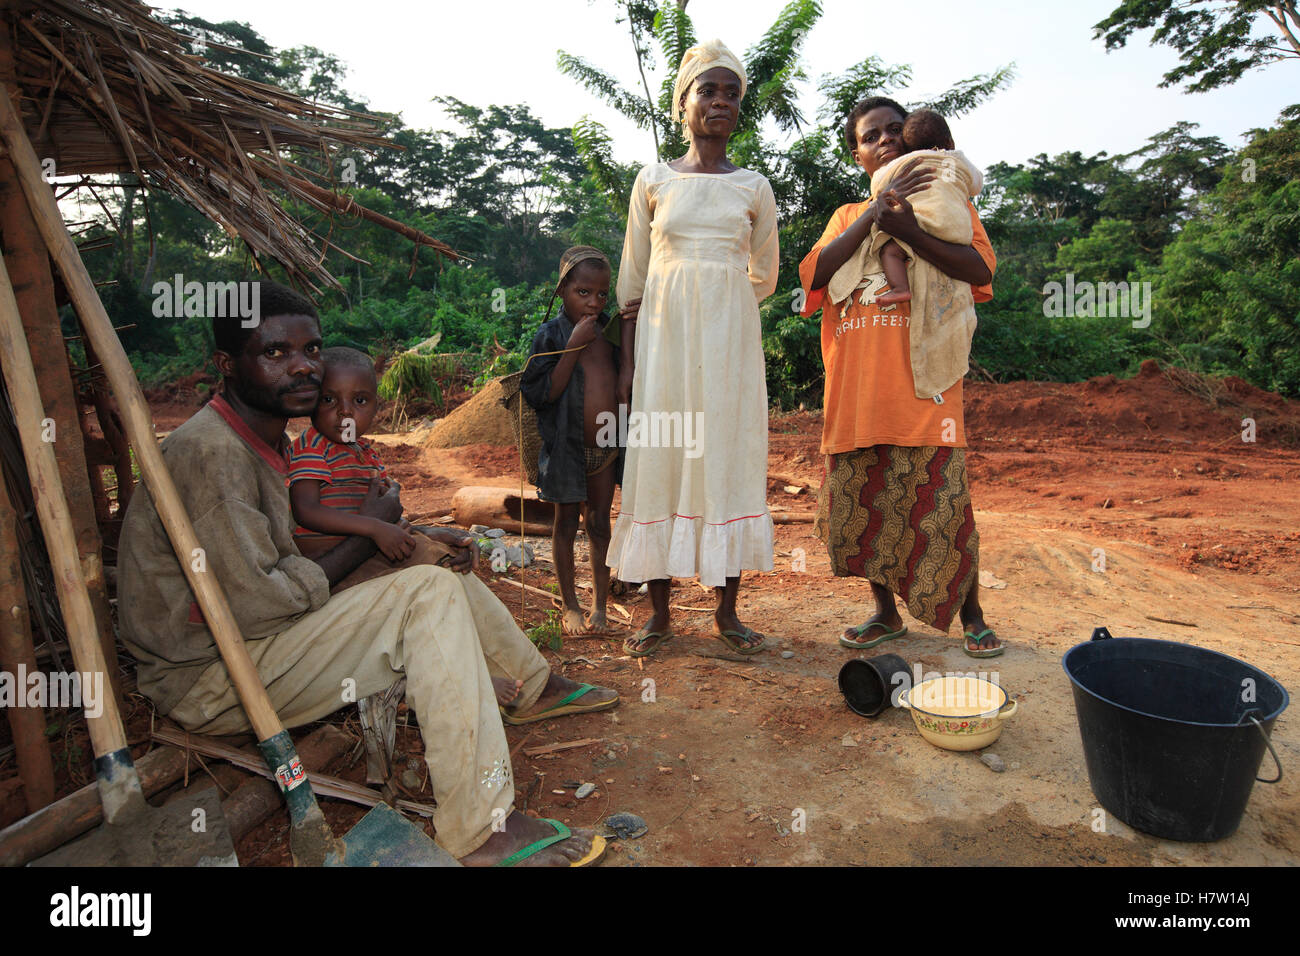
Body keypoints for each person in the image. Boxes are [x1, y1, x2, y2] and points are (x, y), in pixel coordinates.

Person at [117, 282, 619, 866]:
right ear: (228, 366)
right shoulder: (213, 455)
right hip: (212, 676)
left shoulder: (262, 437)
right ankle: (483, 831)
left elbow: (289, 564)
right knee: (426, 593)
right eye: (275, 353)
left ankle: (530, 688)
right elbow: (261, 605)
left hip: (253, 640)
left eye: (311, 350)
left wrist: (414, 536)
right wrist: (374, 529)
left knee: (437, 569)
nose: (303, 367)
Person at [799, 97, 1005, 658]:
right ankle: (885, 614)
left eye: (896, 129)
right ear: (857, 153)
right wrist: (873, 218)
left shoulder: (948, 203)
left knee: (946, 511)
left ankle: (974, 617)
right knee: (868, 512)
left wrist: (909, 231)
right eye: (872, 135)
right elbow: (812, 277)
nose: (886, 139)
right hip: (858, 395)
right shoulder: (845, 216)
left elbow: (981, 270)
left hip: (927, 394)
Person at [607, 39, 780, 658]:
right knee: (664, 458)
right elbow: (634, 280)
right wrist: (629, 364)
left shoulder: (754, 187)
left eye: (732, 93)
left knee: (727, 460)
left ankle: (728, 614)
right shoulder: (652, 180)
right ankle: (659, 614)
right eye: (709, 90)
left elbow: (763, 273)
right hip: (663, 346)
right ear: (683, 103)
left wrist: (719, 304)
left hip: (729, 346)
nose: (721, 102)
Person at [521, 246, 622, 637]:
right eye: (583, 292)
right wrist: (574, 345)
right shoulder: (550, 334)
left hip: (606, 447)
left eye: (601, 293)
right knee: (565, 525)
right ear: (562, 289)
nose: (593, 302)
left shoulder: (611, 332)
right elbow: (543, 393)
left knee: (599, 524)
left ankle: (599, 604)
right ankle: (570, 605)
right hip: (565, 446)